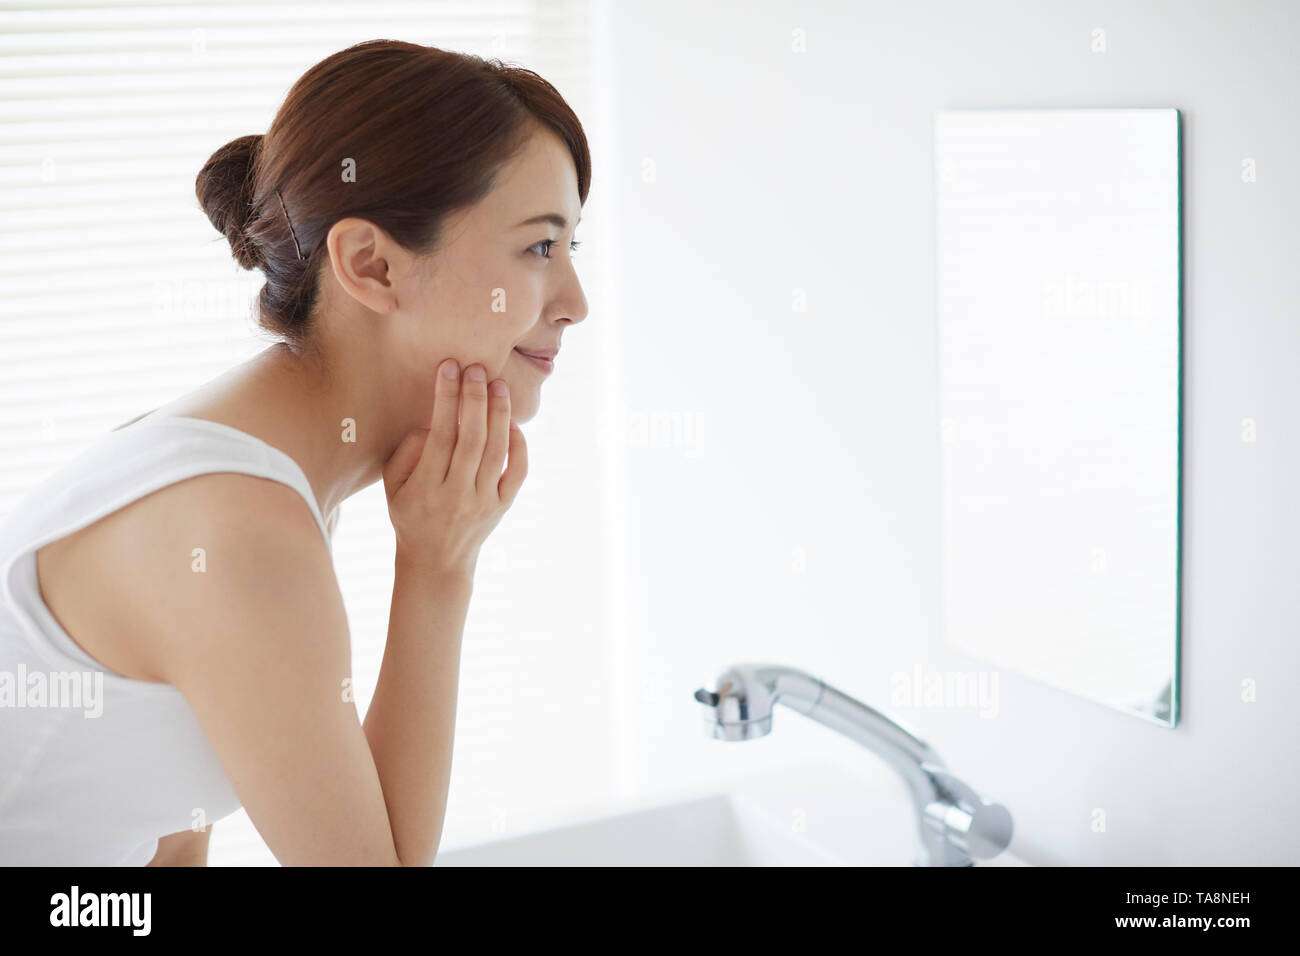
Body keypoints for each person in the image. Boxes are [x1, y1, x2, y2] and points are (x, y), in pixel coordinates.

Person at [0, 39, 590, 866]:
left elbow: (169, 834)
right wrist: (439, 569)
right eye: (539, 247)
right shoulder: (235, 525)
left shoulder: (249, 470)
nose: (575, 302)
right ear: (371, 265)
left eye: (573, 250)